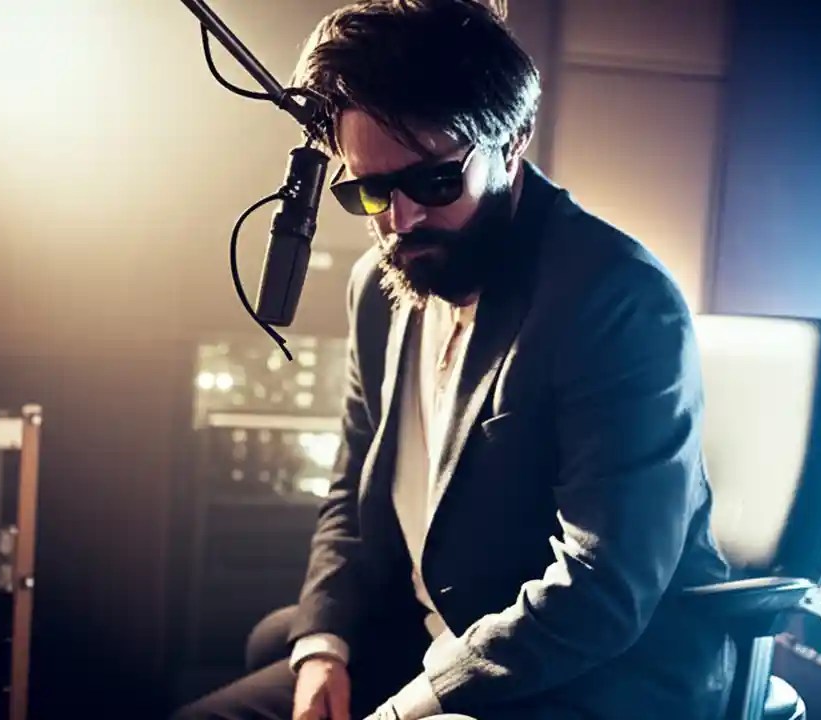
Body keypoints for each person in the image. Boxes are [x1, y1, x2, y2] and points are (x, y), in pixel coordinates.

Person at [174, 1, 734, 718]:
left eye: (435, 182)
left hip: (583, 679)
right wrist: (324, 648)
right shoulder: (377, 290)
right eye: (369, 190)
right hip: (425, 645)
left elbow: (604, 586)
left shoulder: (616, 299)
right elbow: (353, 490)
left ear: (514, 140)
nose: (399, 222)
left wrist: (419, 702)